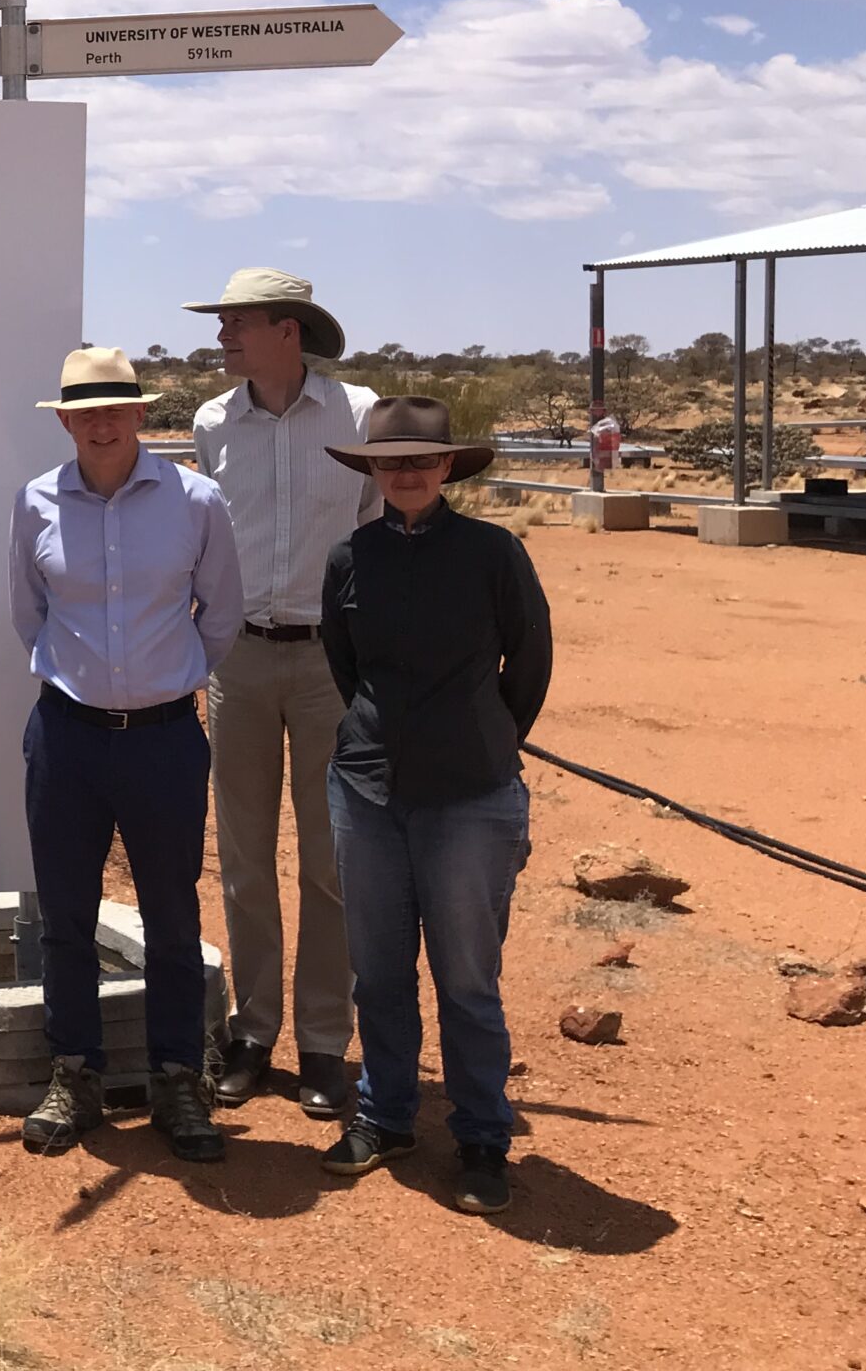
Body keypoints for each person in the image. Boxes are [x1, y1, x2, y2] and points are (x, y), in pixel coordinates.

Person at [317, 397, 553, 1216]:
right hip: (367, 790)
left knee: (466, 978)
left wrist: (482, 737)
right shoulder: (349, 558)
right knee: (378, 974)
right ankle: (385, 1118)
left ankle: (483, 1136)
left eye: (422, 460)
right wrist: (387, 739)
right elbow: (347, 668)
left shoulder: (494, 553)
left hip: (471, 797)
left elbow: (528, 662)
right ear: (372, 474)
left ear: (449, 467)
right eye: (391, 463)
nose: (407, 473)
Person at [12, 347, 244, 1163]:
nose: (102, 423)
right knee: (66, 917)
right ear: (66, 420)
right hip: (67, 738)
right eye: (86, 410)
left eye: (117, 408)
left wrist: (161, 683)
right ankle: (74, 1073)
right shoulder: (36, 502)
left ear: (141, 414)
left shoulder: (196, 501)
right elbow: (28, 613)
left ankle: (178, 1079)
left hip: (163, 742)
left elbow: (221, 616)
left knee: (172, 919)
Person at [185, 268, 379, 1119]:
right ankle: (255, 1032)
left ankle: (326, 1045)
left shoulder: (360, 415)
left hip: (331, 664)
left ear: (288, 331)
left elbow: (378, 533)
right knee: (244, 858)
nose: (223, 336)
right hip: (238, 660)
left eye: (238, 322)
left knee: (332, 860)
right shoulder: (211, 424)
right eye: (222, 322)